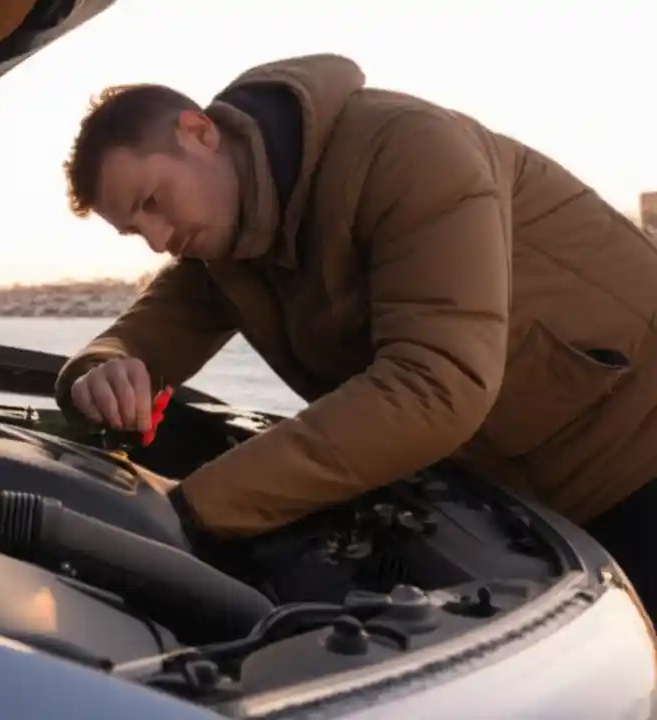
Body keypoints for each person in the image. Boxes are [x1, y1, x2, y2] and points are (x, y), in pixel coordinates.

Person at [53, 53, 657, 612]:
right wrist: (103, 370)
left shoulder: (407, 151)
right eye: (136, 231)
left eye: (154, 201)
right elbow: (143, 333)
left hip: (634, 456)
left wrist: (187, 509)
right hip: (524, 506)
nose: (158, 239)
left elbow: (434, 387)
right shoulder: (228, 241)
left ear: (200, 133)